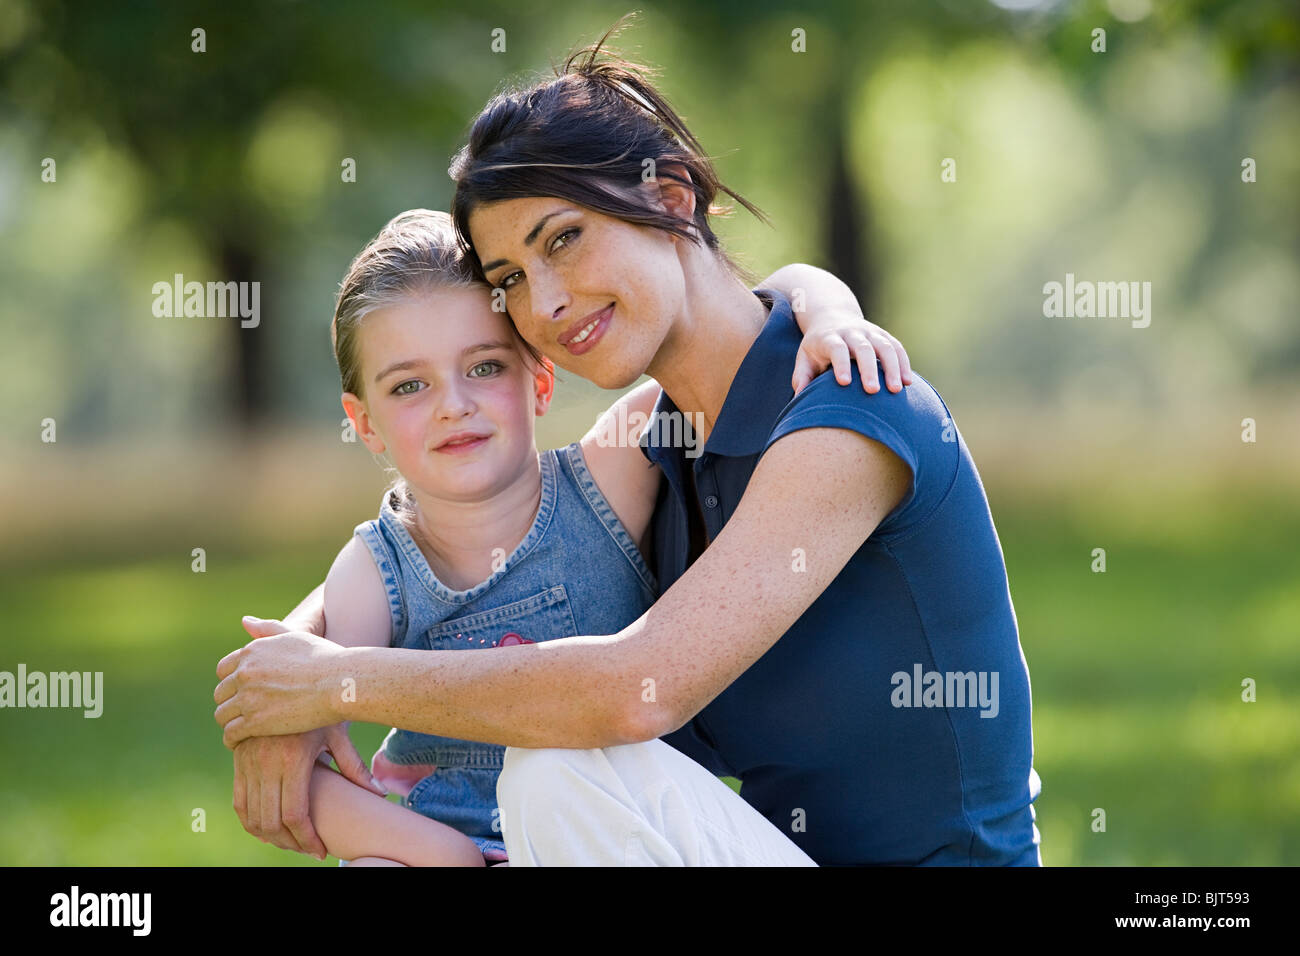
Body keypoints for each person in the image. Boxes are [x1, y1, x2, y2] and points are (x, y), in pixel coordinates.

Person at [216, 28, 1040, 866]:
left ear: (673, 195)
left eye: (563, 238)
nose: (545, 304)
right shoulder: (668, 439)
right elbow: (404, 549)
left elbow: (636, 688)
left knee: (561, 773)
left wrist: (333, 682)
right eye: (508, 280)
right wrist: (280, 691)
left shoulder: (849, 409)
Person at [232, 206, 910, 865]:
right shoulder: (375, 571)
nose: (453, 404)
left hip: (604, 829)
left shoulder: (610, 469)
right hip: (437, 844)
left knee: (555, 773)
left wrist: (833, 316)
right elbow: (307, 764)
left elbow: (763, 307)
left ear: (540, 380)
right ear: (366, 422)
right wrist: (439, 853)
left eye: (485, 367)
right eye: (409, 386)